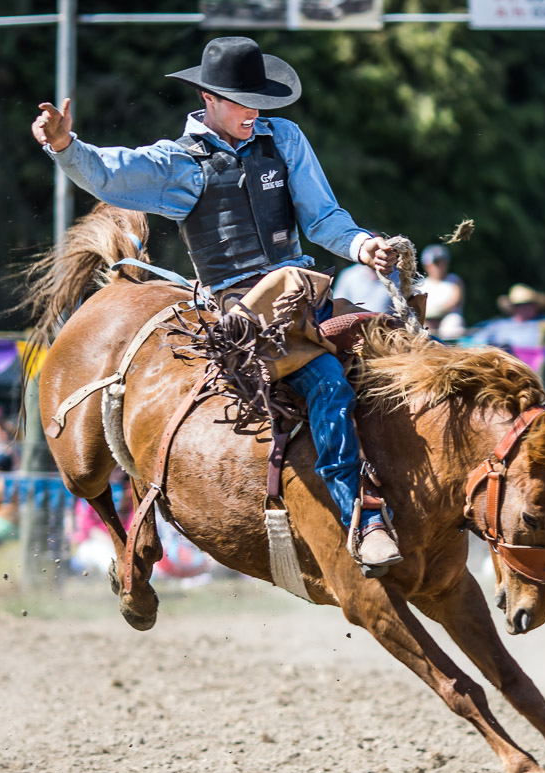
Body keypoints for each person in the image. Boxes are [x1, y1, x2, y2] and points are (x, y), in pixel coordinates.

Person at [32, 36, 402, 572]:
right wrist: (66, 147)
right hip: (242, 309)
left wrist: (364, 245)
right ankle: (362, 521)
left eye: (257, 99)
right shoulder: (180, 164)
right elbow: (112, 171)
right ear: (208, 97)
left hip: (301, 290)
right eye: (240, 99)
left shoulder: (286, 139)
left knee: (398, 351)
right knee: (325, 380)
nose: (253, 110)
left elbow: (324, 218)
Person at [474, 283, 545, 349]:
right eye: (519, 305)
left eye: (528, 303)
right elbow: (477, 341)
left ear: (535, 305)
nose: (524, 308)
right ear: (513, 308)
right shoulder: (499, 325)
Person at [418, 244, 464, 334]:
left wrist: (434, 312)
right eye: (436, 263)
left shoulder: (454, 280)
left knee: (453, 323)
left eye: (442, 262)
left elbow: (454, 302)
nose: (439, 266)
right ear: (427, 266)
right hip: (427, 322)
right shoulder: (421, 285)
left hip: (447, 320)